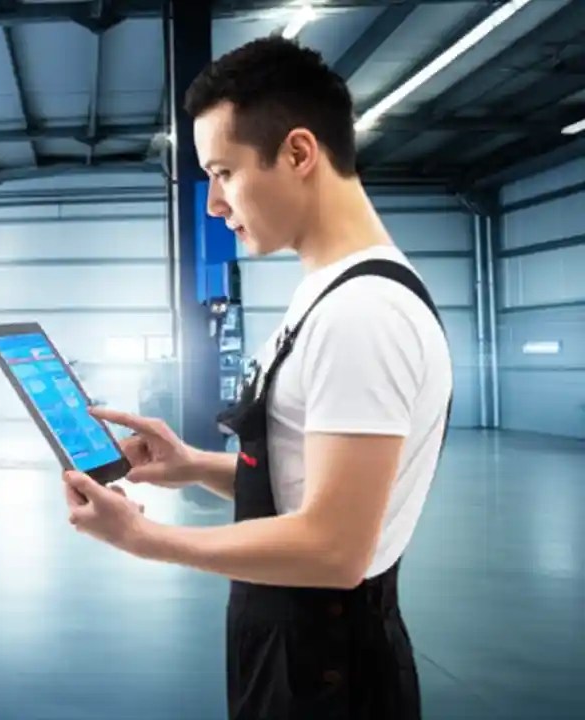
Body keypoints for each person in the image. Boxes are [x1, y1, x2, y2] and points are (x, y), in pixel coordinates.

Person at [60, 36, 453, 720]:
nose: (214, 203)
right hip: (298, 648)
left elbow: (333, 548)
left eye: (224, 172)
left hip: (328, 675)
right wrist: (195, 465)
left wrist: (144, 538)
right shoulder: (329, 295)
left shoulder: (363, 314)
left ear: (299, 154)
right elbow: (307, 481)